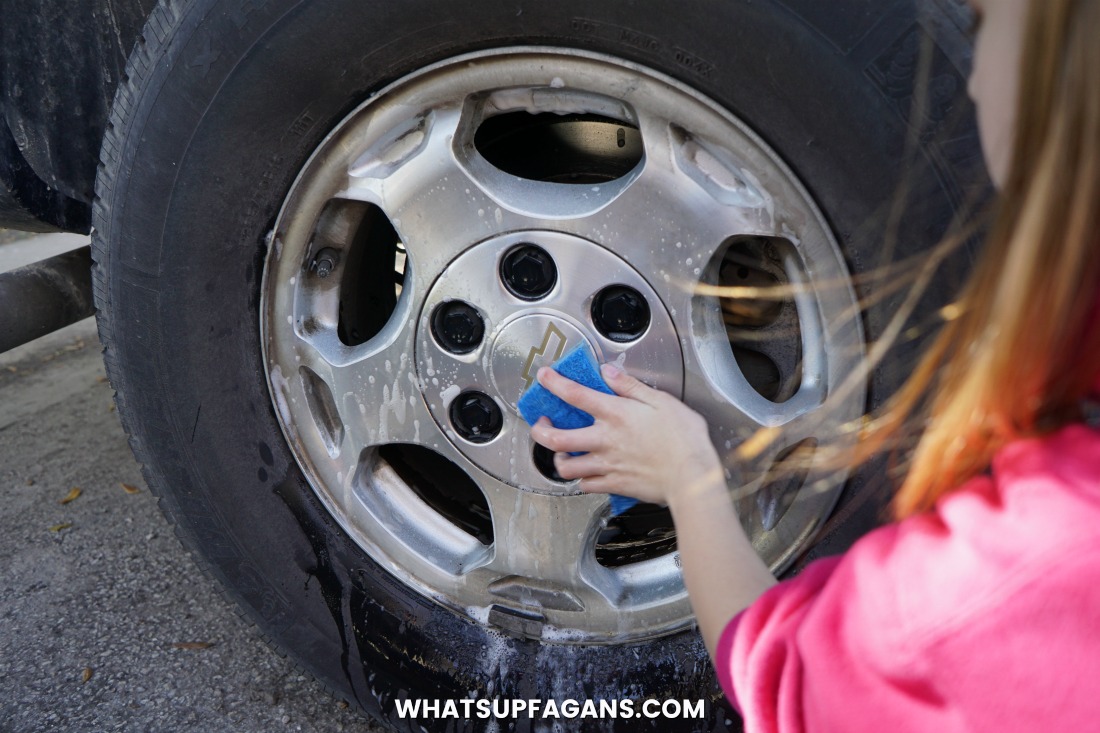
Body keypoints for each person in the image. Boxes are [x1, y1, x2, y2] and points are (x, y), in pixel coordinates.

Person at [530, 0, 1100, 729]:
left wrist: (688, 479)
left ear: (1061, 85)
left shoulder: (998, 590)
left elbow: (782, 673)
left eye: (982, 25)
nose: (973, 81)